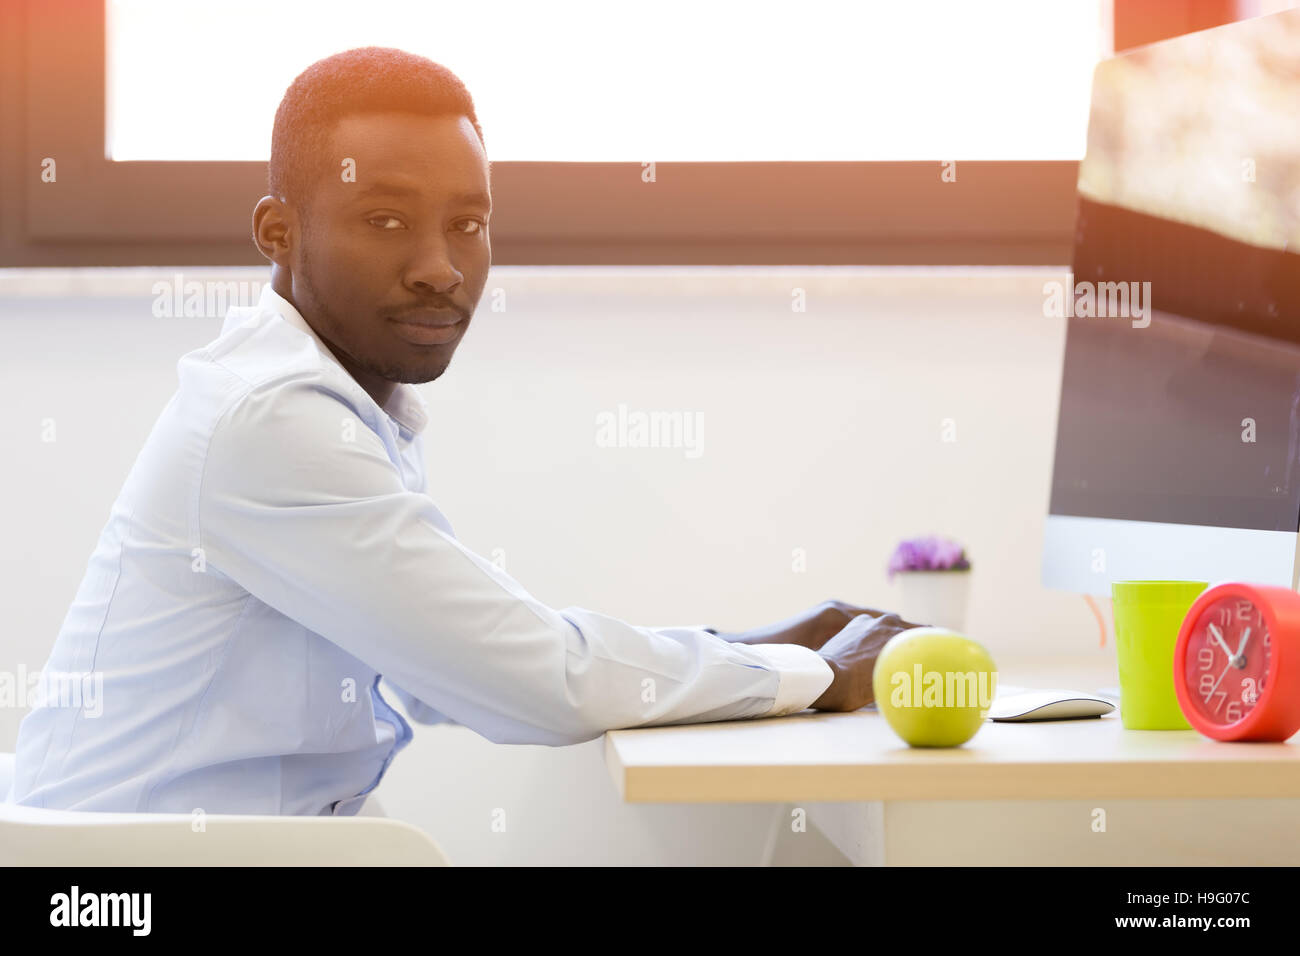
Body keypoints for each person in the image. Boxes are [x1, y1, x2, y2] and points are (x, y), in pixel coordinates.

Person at [7, 47, 919, 817]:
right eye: (386, 221)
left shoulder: (332, 404)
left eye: (469, 224)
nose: (441, 268)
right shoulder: (273, 420)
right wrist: (812, 673)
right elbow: (533, 681)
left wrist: (753, 650)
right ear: (278, 232)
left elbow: (449, 662)